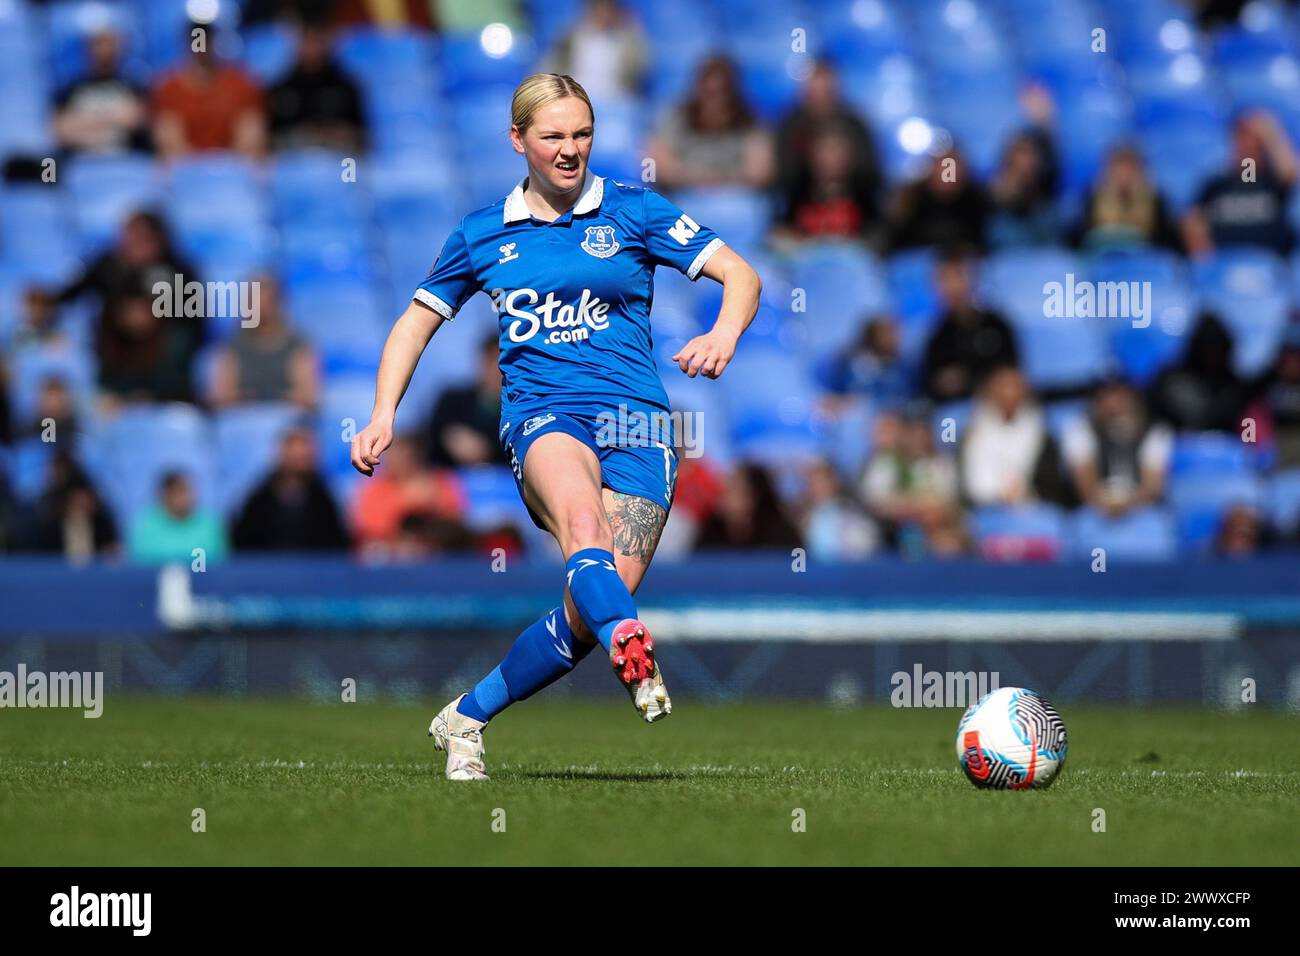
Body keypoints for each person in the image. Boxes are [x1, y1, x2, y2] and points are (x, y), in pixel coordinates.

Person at [350, 74, 763, 780]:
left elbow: (741, 274)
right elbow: (414, 324)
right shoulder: (484, 234)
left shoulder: (634, 211)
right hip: (546, 414)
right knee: (584, 527)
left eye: (582, 134)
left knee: (584, 615)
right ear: (518, 140)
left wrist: (724, 334)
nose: (570, 150)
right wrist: (384, 411)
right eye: (553, 136)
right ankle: (632, 641)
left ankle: (466, 717)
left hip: (639, 424)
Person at [646, 55, 773, 189]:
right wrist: (714, 179)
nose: (715, 102)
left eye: (723, 92)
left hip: (736, 199)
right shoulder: (674, 119)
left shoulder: (751, 122)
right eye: (709, 93)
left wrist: (702, 178)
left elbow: (760, 173)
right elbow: (662, 170)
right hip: (682, 198)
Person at [1182, 109, 1296, 257]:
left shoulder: (1273, 184)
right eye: (1241, 138)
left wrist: (1272, 135)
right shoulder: (1216, 185)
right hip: (1224, 270)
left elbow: (1291, 173)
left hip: (1269, 270)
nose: (1246, 146)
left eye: (1253, 140)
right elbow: (1193, 222)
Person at [959, 365, 1070, 507]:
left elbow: (1050, 481)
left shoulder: (1041, 429)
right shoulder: (972, 427)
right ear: (990, 391)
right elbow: (971, 482)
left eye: (1015, 386)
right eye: (1003, 386)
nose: (1009, 393)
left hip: (1033, 506)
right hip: (986, 507)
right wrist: (999, 493)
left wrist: (1024, 492)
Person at [152, 24, 266, 160]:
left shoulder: (242, 84)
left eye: (207, 36)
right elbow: (170, 144)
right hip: (186, 172)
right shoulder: (169, 87)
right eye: (196, 36)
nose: (201, 43)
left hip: (231, 171)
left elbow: (250, 141)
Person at [921, 245, 1019, 403]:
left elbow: (1013, 374)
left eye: (958, 277)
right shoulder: (937, 337)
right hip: (955, 413)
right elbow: (931, 386)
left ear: (971, 279)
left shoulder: (997, 325)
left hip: (997, 409)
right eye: (945, 279)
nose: (953, 288)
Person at [1062, 378, 1172, 517]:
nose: (1113, 406)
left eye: (1120, 398)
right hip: (1095, 510)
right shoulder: (1080, 430)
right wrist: (1105, 503)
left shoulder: (1155, 431)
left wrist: (1128, 504)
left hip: (1141, 510)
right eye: (1107, 399)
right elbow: (1085, 486)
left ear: (1132, 400)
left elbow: (1152, 487)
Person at [232, 426, 349, 551]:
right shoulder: (259, 501)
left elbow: (336, 545)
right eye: (295, 455)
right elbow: (243, 544)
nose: (300, 458)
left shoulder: (323, 501)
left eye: (305, 455)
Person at [351, 435, 468, 558]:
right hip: (388, 552)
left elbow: (453, 521)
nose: (396, 459)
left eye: (403, 454)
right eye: (392, 454)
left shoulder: (440, 482)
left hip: (433, 551)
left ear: (416, 455)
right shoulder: (375, 487)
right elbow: (369, 527)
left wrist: (430, 504)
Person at [210, 276, 318, 409]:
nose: (258, 307)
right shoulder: (231, 346)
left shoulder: (298, 344)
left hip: (287, 419)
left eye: (263, 300)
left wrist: (272, 399)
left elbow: (307, 396)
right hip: (242, 418)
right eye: (252, 301)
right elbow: (222, 396)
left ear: (278, 303)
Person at [266, 18, 366, 153]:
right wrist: (304, 137)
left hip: (337, 165)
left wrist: (332, 135)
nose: (312, 47)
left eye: (317, 39)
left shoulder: (347, 87)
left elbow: (361, 138)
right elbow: (269, 141)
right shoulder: (280, 89)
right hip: (292, 167)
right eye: (307, 39)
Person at [53, 28, 150, 155]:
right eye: (98, 44)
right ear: (87, 48)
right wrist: (113, 118)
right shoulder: (70, 89)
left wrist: (84, 120)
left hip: (125, 161)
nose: (104, 51)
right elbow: (61, 130)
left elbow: (136, 120)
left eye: (110, 44)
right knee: (48, 170)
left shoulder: (134, 86)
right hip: (81, 161)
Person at [1074, 144, 1182, 252]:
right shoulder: (1091, 197)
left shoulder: (1156, 198)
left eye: (1130, 169)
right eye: (1118, 168)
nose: (1124, 175)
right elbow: (1080, 238)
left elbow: (1166, 240)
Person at [425, 333, 509, 467]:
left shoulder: (521, 407)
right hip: (452, 483)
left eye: (503, 362)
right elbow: (429, 439)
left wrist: (487, 449)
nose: (496, 368)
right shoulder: (452, 400)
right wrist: (448, 436)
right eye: (491, 360)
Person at [542, 0, 648, 102]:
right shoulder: (570, 37)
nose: (602, 15)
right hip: (576, 95)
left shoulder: (625, 40)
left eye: (607, 11)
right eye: (598, 10)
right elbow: (550, 66)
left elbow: (641, 66)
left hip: (615, 99)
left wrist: (631, 26)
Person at [128, 471, 228, 564]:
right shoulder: (145, 525)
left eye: (187, 491)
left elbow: (219, 563)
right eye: (178, 492)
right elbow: (141, 565)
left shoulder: (209, 524)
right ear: (165, 495)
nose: (184, 497)